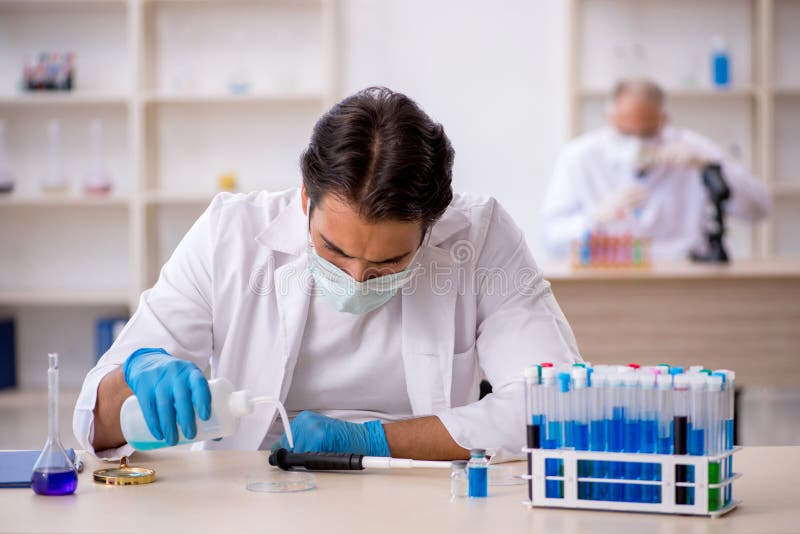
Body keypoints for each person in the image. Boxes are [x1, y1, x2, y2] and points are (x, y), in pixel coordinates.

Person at [74, 87, 580, 463]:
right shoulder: (230, 233)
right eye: (334, 250)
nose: (358, 279)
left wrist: (376, 441)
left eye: (388, 263)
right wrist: (139, 370)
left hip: (419, 489)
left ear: (432, 226)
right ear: (303, 199)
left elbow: (556, 407)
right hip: (251, 488)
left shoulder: (483, 236)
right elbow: (91, 427)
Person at [539, 78, 771, 260]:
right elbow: (550, 240)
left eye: (647, 133)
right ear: (608, 117)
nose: (637, 143)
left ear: (664, 119)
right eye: (626, 133)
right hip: (611, 278)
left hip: (683, 277)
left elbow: (759, 209)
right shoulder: (579, 157)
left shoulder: (694, 149)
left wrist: (709, 167)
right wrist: (594, 219)